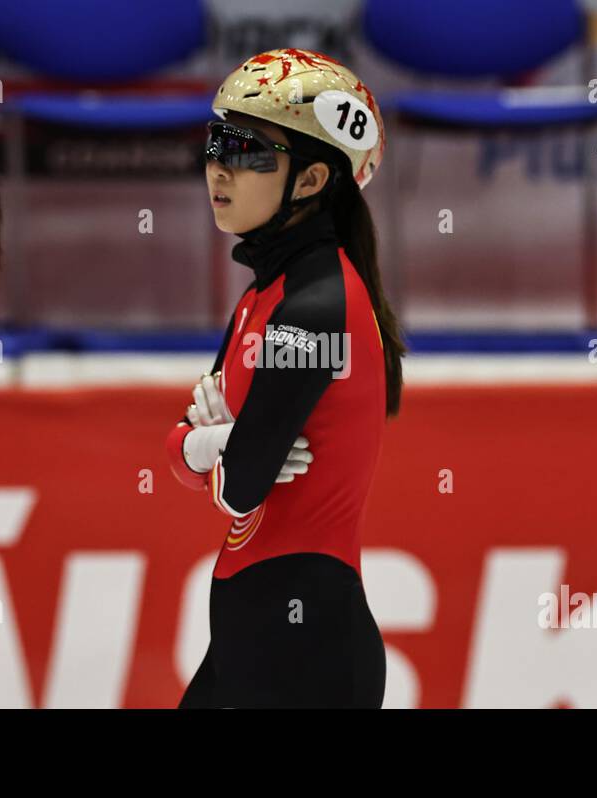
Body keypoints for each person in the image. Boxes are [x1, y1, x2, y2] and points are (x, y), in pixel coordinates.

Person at [166, 48, 405, 708]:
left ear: (309, 180)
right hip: (254, 633)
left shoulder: (316, 306)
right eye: (216, 143)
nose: (218, 167)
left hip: (306, 647)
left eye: (246, 151)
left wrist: (211, 446)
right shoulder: (262, 296)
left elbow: (240, 490)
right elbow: (196, 458)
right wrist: (205, 445)